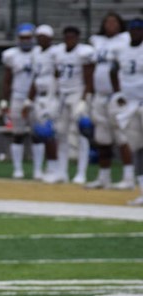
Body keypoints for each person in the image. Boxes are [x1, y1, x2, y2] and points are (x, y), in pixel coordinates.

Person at [87, 13, 134, 190]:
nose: (110, 25)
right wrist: (89, 93)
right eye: (107, 21)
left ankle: (128, 177)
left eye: (114, 21)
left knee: (123, 136)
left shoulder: (125, 40)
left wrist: (121, 92)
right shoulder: (98, 41)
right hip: (100, 95)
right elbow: (92, 68)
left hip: (118, 96)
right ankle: (103, 177)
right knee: (102, 138)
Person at [52, 26, 95, 185]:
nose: (69, 39)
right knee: (61, 133)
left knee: (81, 133)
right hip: (62, 95)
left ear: (77, 38)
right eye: (67, 36)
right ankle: (61, 172)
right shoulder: (58, 52)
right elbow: (57, 74)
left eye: (72, 37)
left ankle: (81, 172)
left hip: (78, 93)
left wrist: (85, 98)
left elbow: (89, 76)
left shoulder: (83, 52)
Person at [110, 17, 143, 205]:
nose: (136, 32)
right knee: (137, 148)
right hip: (130, 104)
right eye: (134, 29)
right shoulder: (122, 51)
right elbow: (112, 71)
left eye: (140, 29)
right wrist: (118, 92)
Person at [0, 23, 37, 180]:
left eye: (28, 38)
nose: (25, 41)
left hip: (37, 97)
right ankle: (18, 169)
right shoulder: (11, 55)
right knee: (17, 133)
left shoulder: (40, 53)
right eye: (23, 38)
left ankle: (38, 170)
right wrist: (4, 99)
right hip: (17, 96)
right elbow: (7, 79)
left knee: (39, 134)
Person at [30, 25, 61, 181]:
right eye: (39, 36)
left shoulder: (56, 52)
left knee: (48, 133)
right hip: (38, 95)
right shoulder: (35, 52)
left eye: (44, 36)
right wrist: (28, 100)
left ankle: (53, 169)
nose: (41, 39)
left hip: (51, 96)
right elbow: (34, 77)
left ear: (50, 38)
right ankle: (37, 169)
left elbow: (59, 73)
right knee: (37, 134)